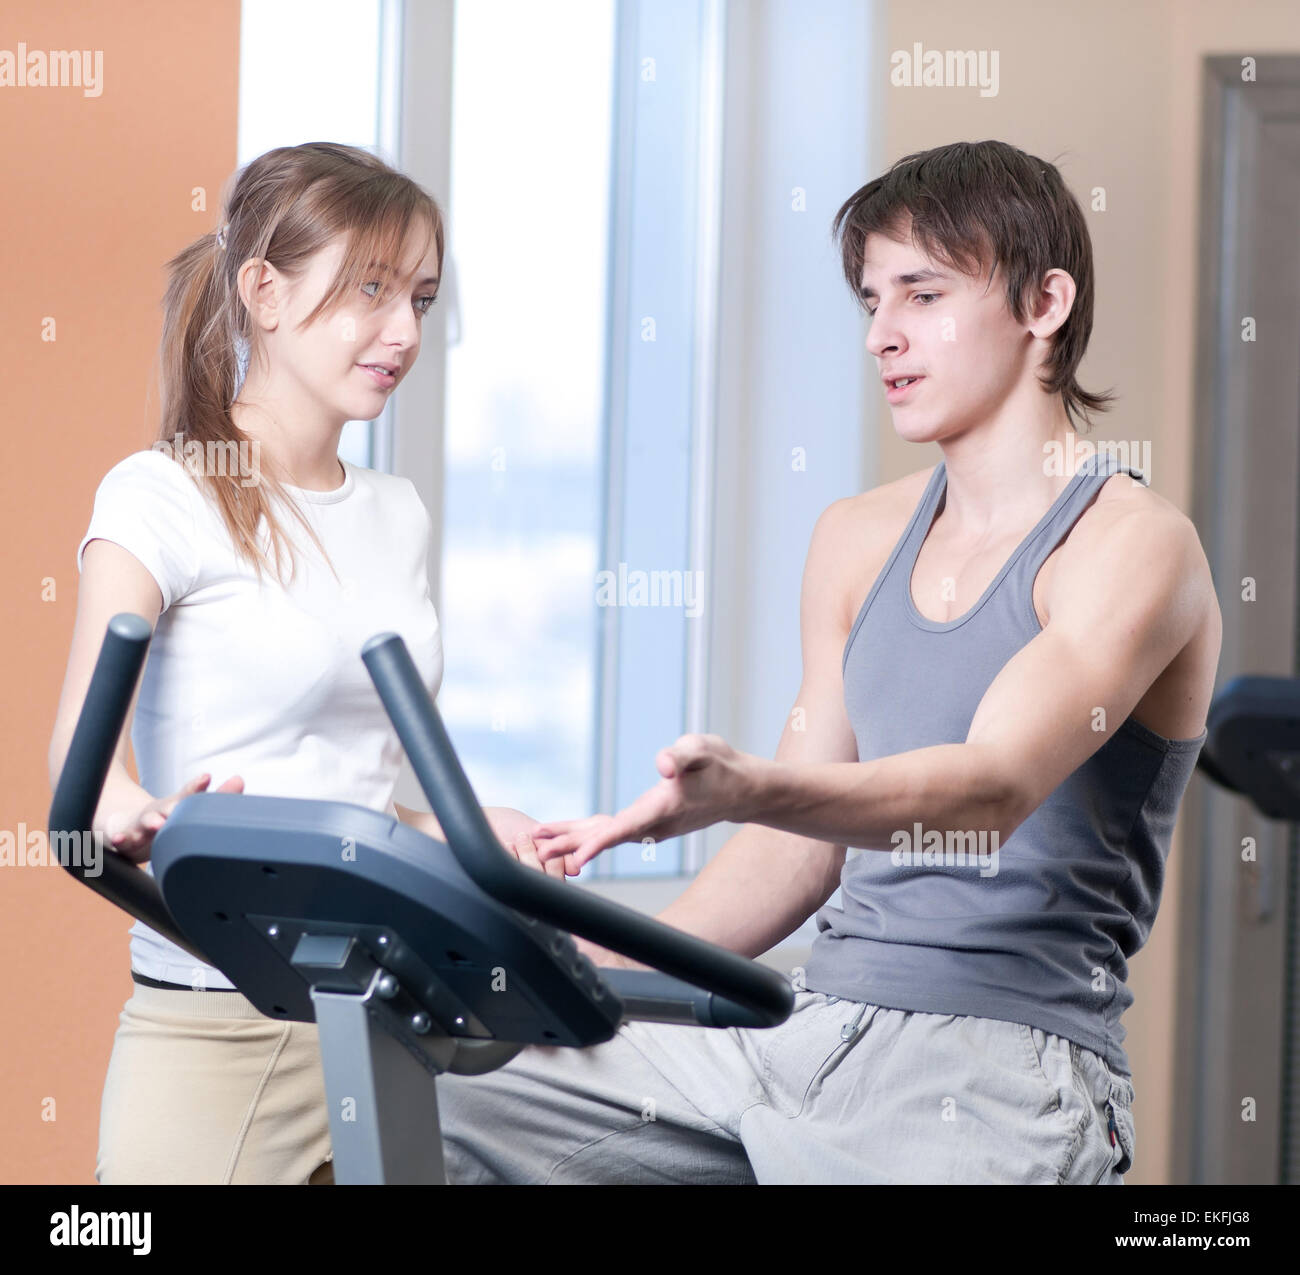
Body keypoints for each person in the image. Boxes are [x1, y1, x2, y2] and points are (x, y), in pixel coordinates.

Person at [432, 139, 1223, 1184]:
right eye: (869, 302)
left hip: (1000, 1065)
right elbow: (795, 856)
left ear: (1044, 303)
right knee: (450, 1101)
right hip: (806, 1023)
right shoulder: (856, 537)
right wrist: (587, 976)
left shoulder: (1134, 547)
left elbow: (986, 793)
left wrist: (748, 786)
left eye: (921, 294)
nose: (882, 337)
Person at [47, 141, 573, 1185]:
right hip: (222, 1012)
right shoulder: (162, 495)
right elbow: (81, 747)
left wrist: (476, 835)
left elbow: (352, 789)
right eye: (369, 291)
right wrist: (120, 810)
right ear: (265, 291)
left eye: (421, 297)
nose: (403, 331)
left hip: (380, 1005)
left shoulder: (396, 512)